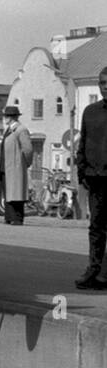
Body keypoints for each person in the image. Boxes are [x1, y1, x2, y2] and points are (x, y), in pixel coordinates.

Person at [74, 67, 107, 289]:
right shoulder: (90, 111)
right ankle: (93, 270)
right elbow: (82, 142)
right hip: (95, 178)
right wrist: (81, 169)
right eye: (102, 83)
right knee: (96, 226)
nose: (106, 87)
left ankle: (105, 273)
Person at [0, 104, 34, 225]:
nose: (5, 118)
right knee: (7, 193)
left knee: (16, 193)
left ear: (12, 117)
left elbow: (28, 149)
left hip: (15, 166)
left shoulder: (20, 130)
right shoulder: (8, 130)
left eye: (6, 116)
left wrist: (25, 163)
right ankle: (8, 216)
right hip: (5, 166)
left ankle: (17, 218)